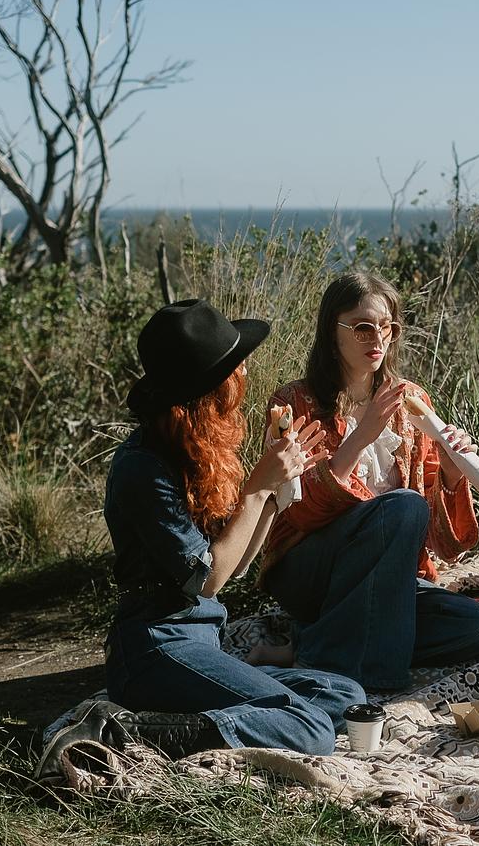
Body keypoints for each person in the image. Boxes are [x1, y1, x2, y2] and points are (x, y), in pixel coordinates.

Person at [100, 299, 366, 758]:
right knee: (310, 729)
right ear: (201, 396)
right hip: (154, 648)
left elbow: (238, 565)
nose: (239, 383)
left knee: (344, 697)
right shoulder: (140, 469)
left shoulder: (191, 451)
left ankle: (184, 720)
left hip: (203, 641)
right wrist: (256, 489)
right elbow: (207, 579)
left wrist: (273, 491)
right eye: (231, 376)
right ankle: (134, 732)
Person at [255, 272, 479, 691]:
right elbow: (298, 511)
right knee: (402, 506)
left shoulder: (412, 402)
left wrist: (453, 474)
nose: (378, 339)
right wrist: (362, 435)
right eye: (364, 327)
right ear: (333, 333)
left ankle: (309, 647)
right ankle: (375, 677)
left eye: (387, 327)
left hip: (386, 581)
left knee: (476, 625)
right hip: (310, 571)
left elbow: (445, 544)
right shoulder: (292, 403)